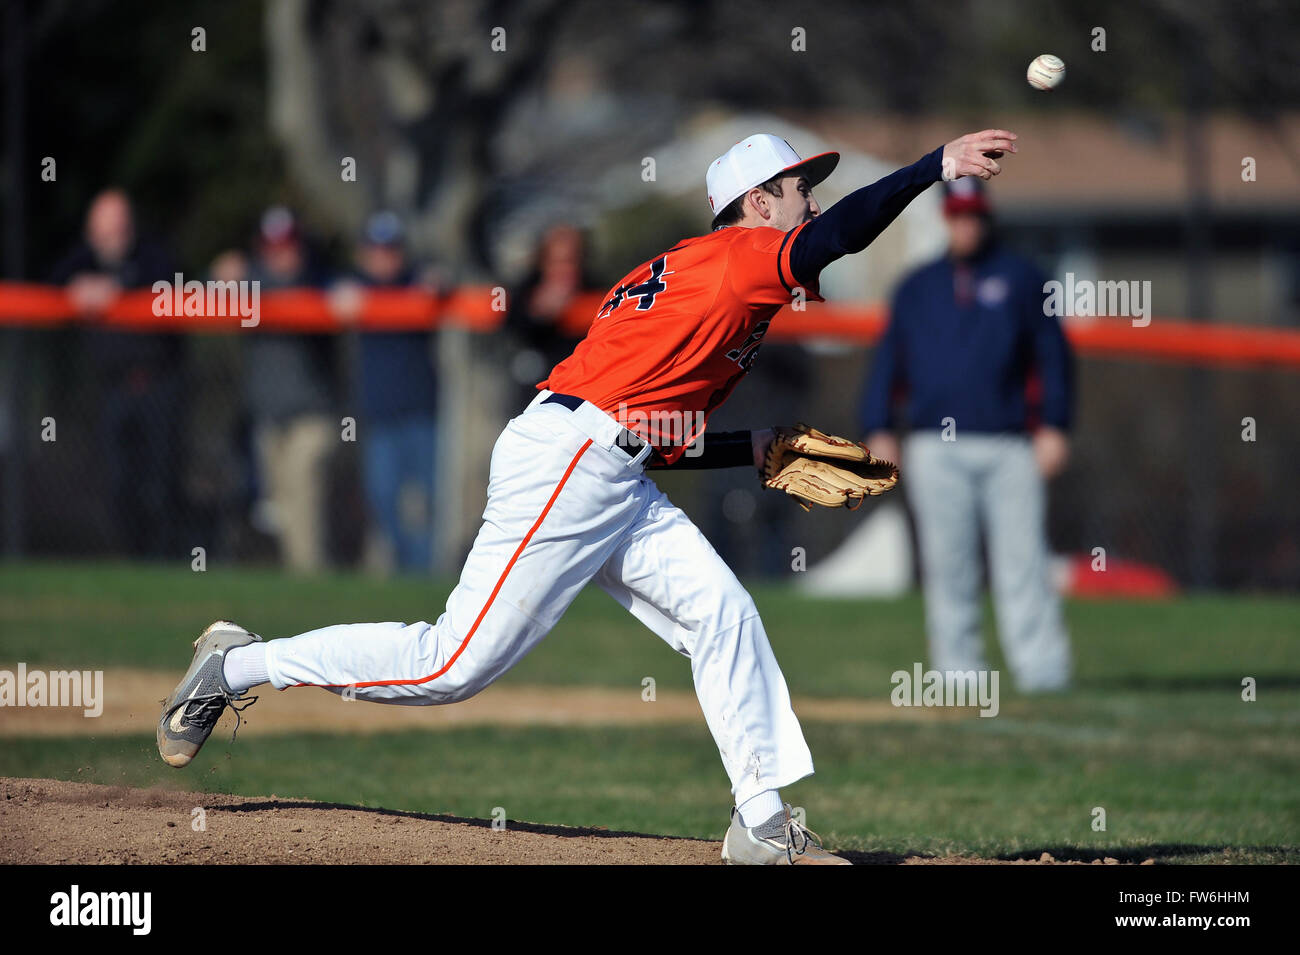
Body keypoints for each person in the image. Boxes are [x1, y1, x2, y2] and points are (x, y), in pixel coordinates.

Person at [157, 128, 1019, 864]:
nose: (811, 206)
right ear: (756, 204)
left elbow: (641, 431)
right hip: (569, 463)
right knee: (449, 664)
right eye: (800, 190)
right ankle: (235, 664)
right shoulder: (740, 261)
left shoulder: (703, 279)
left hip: (599, 462)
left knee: (721, 611)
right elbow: (838, 240)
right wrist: (932, 166)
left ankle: (760, 821)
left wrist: (745, 448)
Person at [860, 177, 1074, 693]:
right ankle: (958, 673)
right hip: (935, 446)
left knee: (1022, 562)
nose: (967, 224)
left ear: (986, 215)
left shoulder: (1022, 278)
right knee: (947, 563)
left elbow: (1053, 358)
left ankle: (1041, 672)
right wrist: (878, 425)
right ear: (945, 217)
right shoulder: (917, 287)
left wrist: (1055, 424)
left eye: (974, 214)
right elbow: (889, 362)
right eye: (958, 214)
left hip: (1009, 443)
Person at [50, 188, 185, 557]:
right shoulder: (83, 261)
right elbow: (53, 279)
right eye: (106, 230)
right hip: (112, 388)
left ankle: (167, 558)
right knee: (118, 482)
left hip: (159, 383)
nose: (115, 237)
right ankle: (133, 557)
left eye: (121, 228)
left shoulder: (151, 257)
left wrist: (119, 287)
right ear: (92, 233)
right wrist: (78, 286)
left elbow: (169, 279)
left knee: (161, 481)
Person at [235, 207, 339, 573]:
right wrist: (218, 275)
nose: (282, 253)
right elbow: (200, 289)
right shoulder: (248, 284)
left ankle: (311, 577)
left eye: (288, 245)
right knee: (277, 506)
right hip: (269, 416)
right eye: (273, 246)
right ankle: (298, 579)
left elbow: (346, 291)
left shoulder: (319, 279)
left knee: (303, 488)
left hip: (313, 415)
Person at [338, 211, 440, 573]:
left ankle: (425, 575)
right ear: (364, 253)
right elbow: (317, 287)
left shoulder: (419, 282)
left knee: (428, 500)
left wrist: (436, 286)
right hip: (379, 415)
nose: (384, 257)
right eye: (376, 249)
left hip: (422, 411)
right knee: (382, 498)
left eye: (391, 249)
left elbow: (445, 283)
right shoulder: (351, 286)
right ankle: (405, 567)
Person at [504, 224, 593, 413]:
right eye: (557, 262)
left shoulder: (595, 291)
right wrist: (539, 314)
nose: (564, 270)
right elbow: (511, 330)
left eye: (570, 261)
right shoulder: (526, 291)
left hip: (582, 398)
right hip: (534, 394)